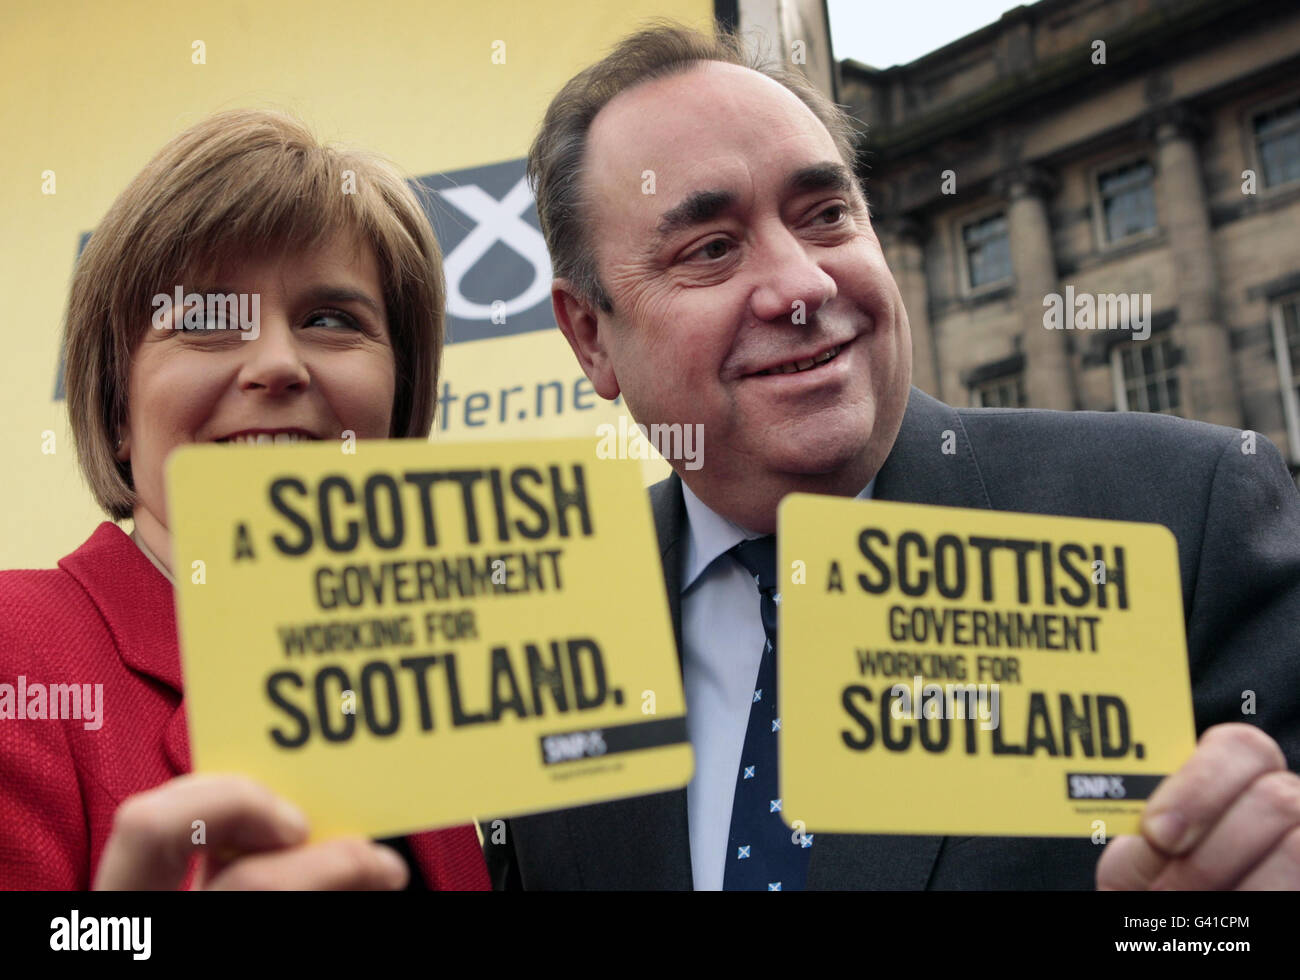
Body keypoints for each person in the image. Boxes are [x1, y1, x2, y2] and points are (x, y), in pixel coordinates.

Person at [483, 23, 1300, 890]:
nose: (803, 285)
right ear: (588, 337)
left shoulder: (1185, 518)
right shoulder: (540, 630)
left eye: (826, 216)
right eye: (711, 249)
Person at [0, 109, 489, 891]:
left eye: (331, 320)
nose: (277, 365)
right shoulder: (17, 651)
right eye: (208, 321)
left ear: (399, 404)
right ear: (120, 409)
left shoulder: (426, 707)